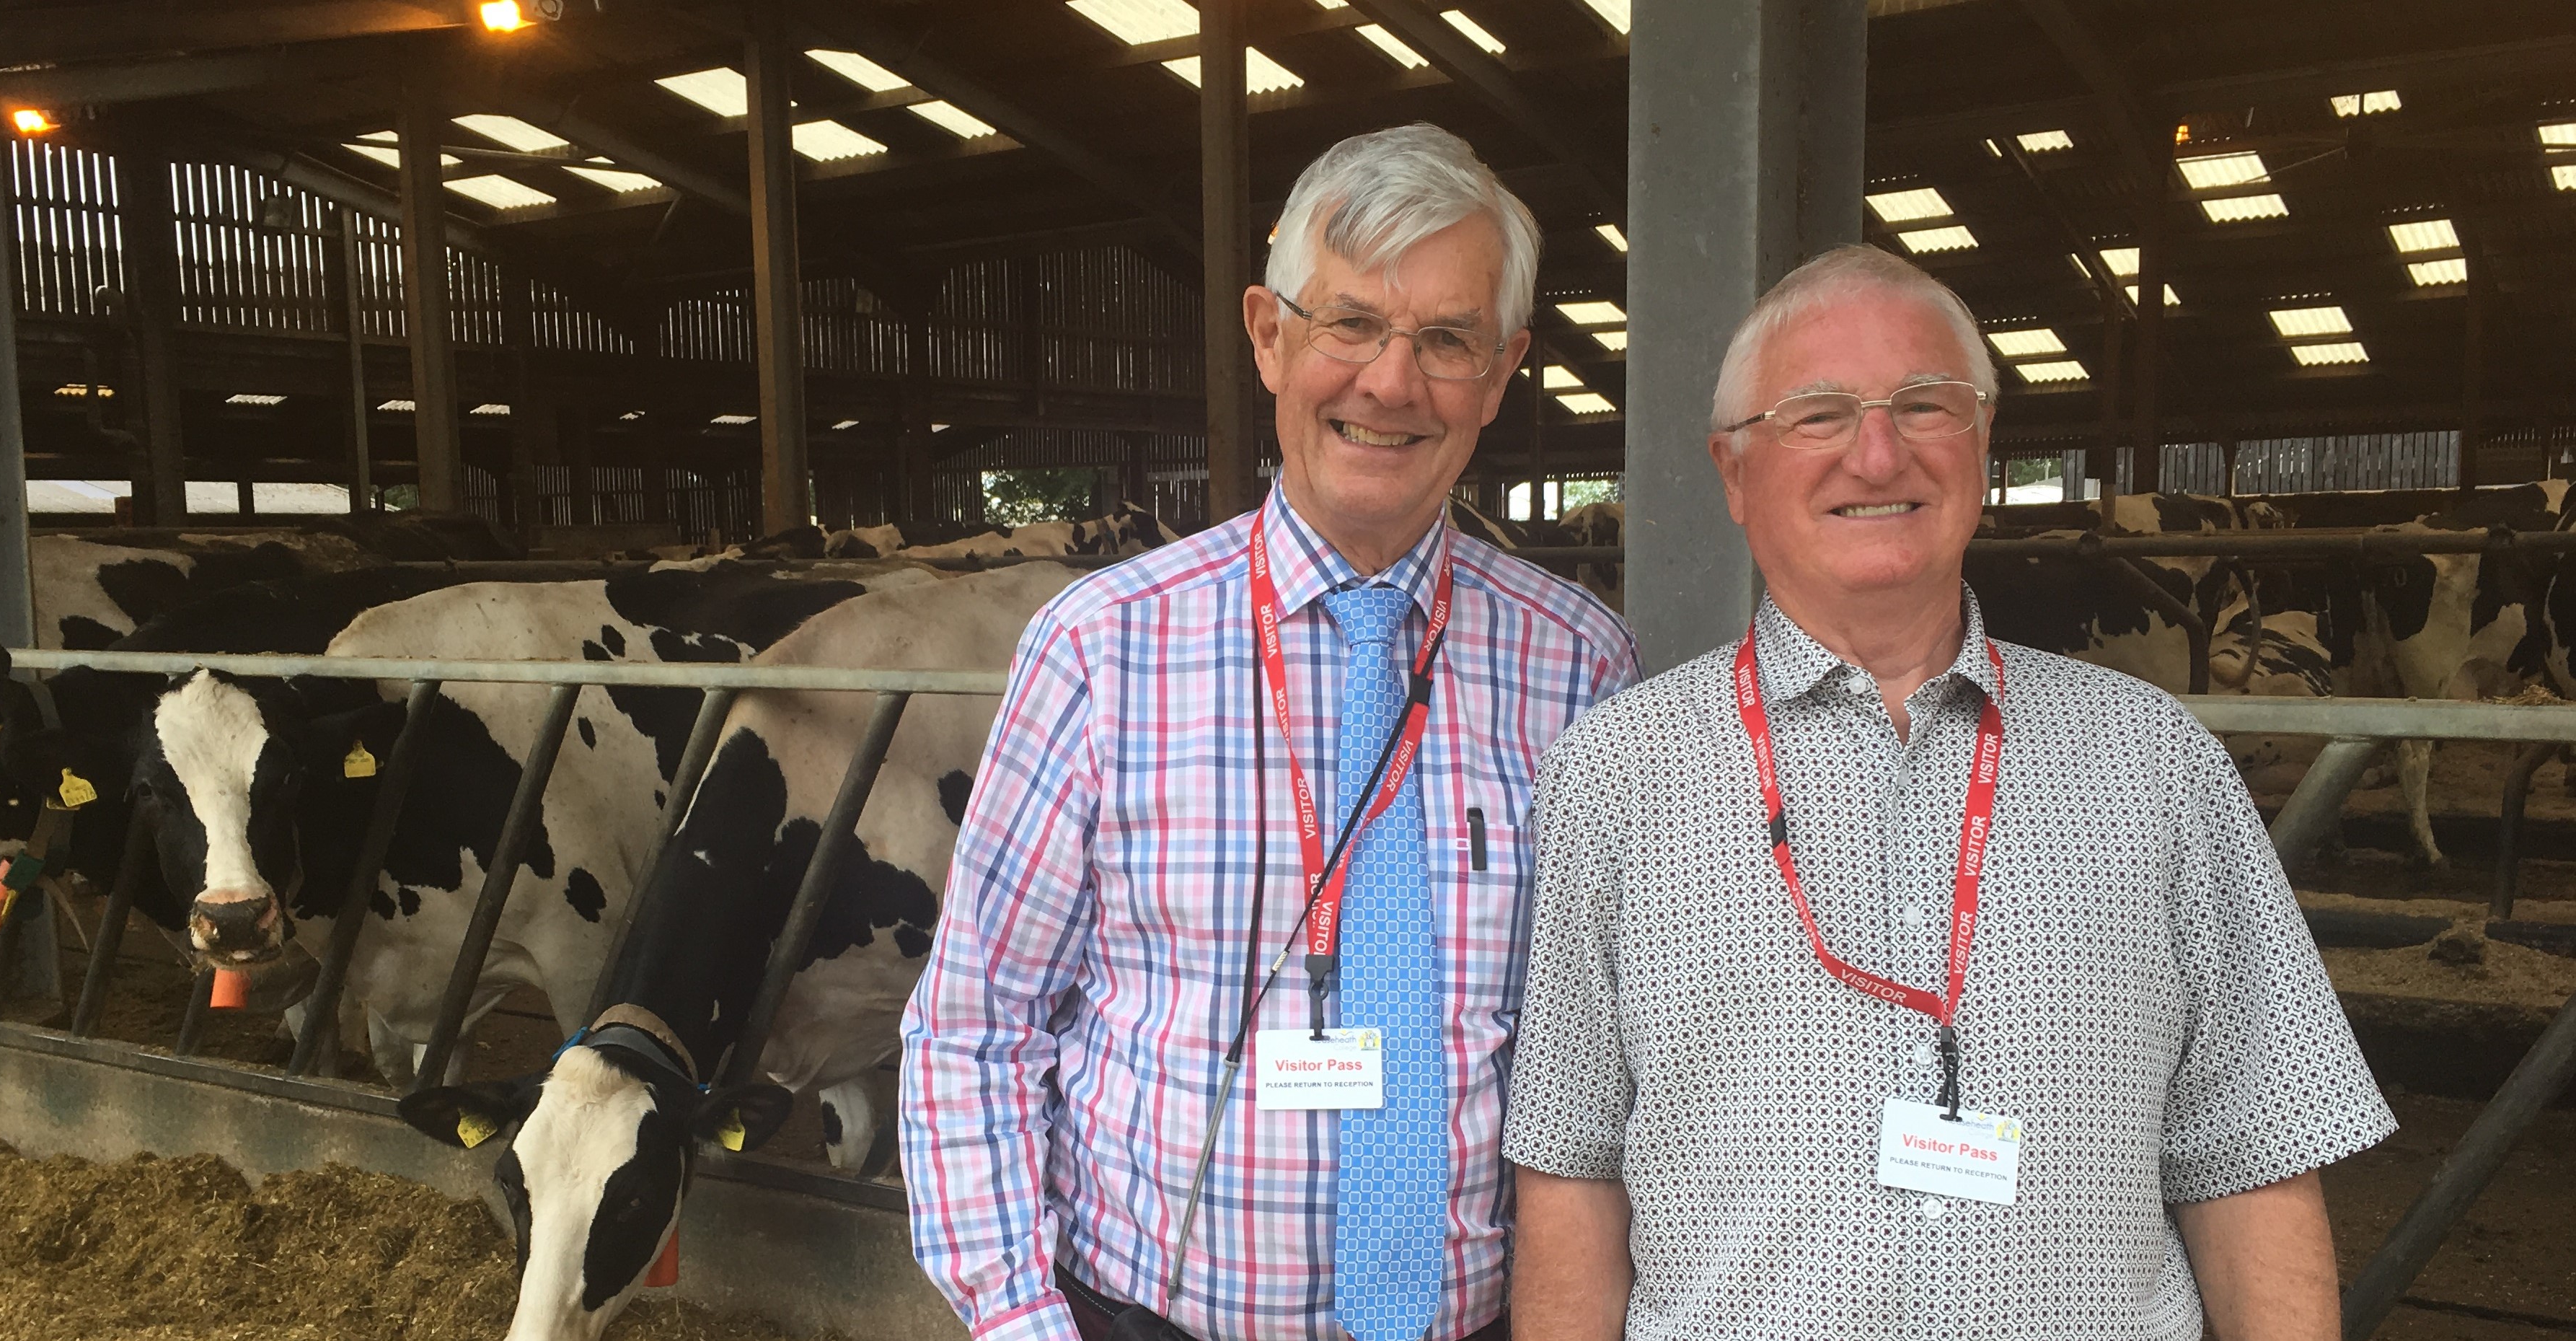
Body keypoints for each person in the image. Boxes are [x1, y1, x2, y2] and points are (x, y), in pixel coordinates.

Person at [1502, 244, 2394, 1341]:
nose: (1877, 454)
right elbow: (1572, 1170)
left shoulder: (2155, 760)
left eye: (1924, 405)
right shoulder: (1614, 775)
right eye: (1817, 415)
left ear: (1981, 444)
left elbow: (2251, 1159)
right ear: (1733, 473)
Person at [900, 123, 1638, 1341]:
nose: (1390, 383)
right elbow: (975, 1027)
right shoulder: (1099, 647)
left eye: (1446, 339)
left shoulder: (1583, 667)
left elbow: (1607, 1057)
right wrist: (1023, 1322)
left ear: (1502, 371)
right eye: (1349, 322)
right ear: (1267, 334)